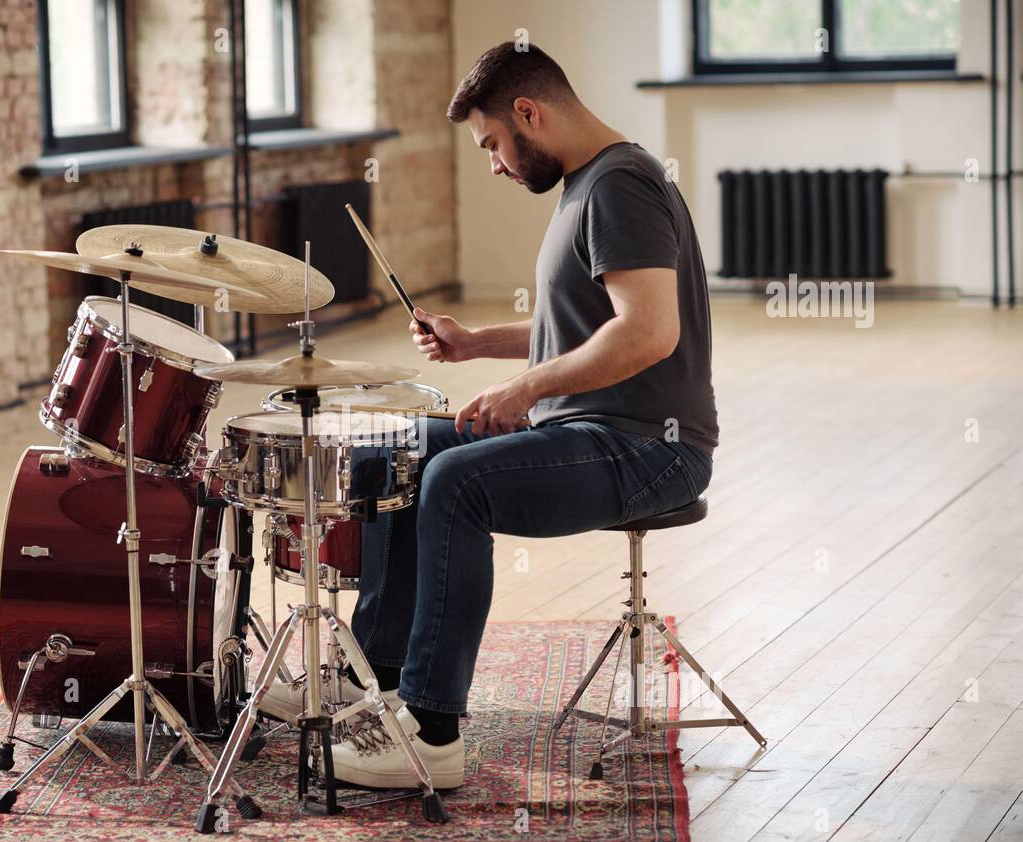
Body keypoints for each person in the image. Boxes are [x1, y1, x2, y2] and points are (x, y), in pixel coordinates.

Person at [263, 40, 718, 790]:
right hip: (586, 429)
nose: (496, 165)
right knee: (396, 449)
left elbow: (647, 332)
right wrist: (476, 344)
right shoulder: (586, 183)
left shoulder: (619, 186)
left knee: (457, 483)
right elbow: (582, 329)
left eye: (493, 145)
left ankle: (433, 735)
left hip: (650, 449)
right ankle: (371, 676)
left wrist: (527, 388)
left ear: (529, 113)